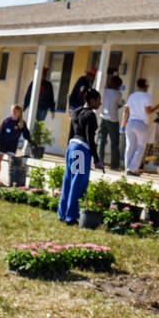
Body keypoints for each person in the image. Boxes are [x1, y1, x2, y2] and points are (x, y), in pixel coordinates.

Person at [58, 89, 104, 224]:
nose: (100, 103)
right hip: (81, 149)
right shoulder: (90, 115)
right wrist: (96, 158)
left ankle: (62, 213)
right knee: (77, 183)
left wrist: (67, 150)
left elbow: (70, 133)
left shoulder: (76, 112)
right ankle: (71, 216)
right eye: (98, 100)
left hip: (71, 147)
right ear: (92, 100)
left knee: (68, 181)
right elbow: (90, 138)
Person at [120, 78, 155, 175]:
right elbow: (148, 112)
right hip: (141, 123)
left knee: (130, 146)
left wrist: (122, 125)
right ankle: (133, 169)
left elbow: (126, 111)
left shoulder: (132, 96)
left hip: (130, 122)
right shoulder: (147, 97)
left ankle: (128, 168)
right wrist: (156, 108)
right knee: (140, 147)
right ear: (146, 86)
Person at [0, 104, 32, 183]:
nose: (13, 113)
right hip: (3, 144)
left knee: (11, 163)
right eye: (12, 111)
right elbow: (0, 131)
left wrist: (31, 141)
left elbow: (26, 134)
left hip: (12, 145)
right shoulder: (7, 121)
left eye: (15, 111)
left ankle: (10, 181)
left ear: (19, 113)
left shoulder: (21, 123)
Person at [96, 75, 124, 171]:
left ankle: (99, 161)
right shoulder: (118, 94)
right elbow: (119, 104)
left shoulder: (104, 91)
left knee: (101, 140)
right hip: (113, 119)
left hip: (103, 117)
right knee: (114, 142)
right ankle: (114, 164)